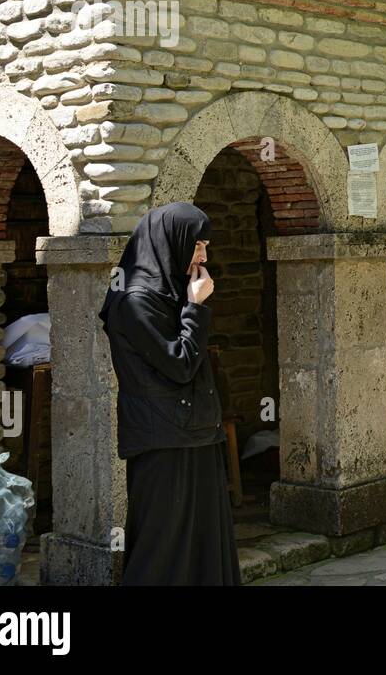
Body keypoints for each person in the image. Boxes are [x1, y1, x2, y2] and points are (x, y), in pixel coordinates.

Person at [99, 201, 240, 585]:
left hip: (194, 434)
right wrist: (195, 308)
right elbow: (179, 363)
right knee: (160, 549)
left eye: (205, 246)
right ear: (171, 241)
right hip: (162, 440)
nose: (203, 255)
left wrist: (190, 304)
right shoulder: (134, 300)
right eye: (197, 245)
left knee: (204, 543)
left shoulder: (167, 292)